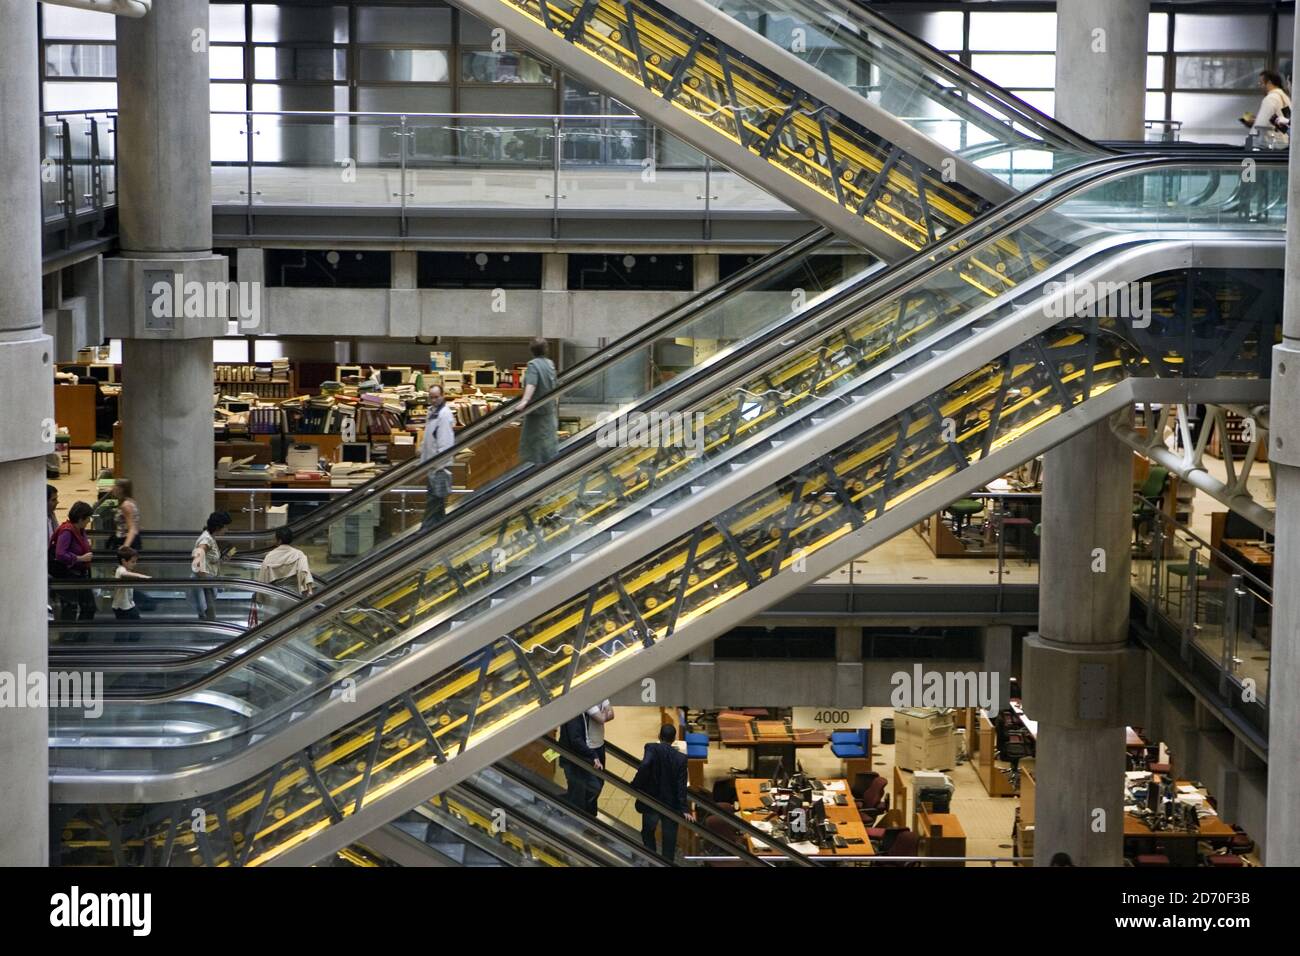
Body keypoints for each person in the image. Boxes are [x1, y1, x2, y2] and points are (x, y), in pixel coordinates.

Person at [632, 723, 694, 862]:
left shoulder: (651, 748)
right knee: (669, 841)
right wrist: (684, 809)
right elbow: (681, 785)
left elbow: (645, 766)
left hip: (651, 801)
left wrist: (635, 785)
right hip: (671, 805)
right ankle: (666, 863)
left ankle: (652, 860)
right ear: (674, 739)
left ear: (659, 736)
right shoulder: (681, 759)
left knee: (648, 832)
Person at [50, 500, 96, 625]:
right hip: (71, 575)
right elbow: (60, 554)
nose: (89, 521)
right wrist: (80, 558)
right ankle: (72, 637)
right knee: (80, 606)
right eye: (88, 518)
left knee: (88, 606)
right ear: (81, 519)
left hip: (80, 574)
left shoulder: (79, 530)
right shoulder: (67, 531)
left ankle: (77, 637)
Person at [516, 337, 559, 465]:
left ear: (531, 350)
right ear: (546, 349)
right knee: (548, 441)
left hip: (536, 412)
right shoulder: (550, 364)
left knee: (534, 445)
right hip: (548, 410)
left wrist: (524, 401)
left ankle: (535, 471)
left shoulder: (533, 365)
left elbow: (531, 384)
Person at [419, 384, 456, 531]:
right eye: (431, 397)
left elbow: (445, 444)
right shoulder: (432, 412)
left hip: (440, 468)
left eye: (436, 397)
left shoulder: (444, 415)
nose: (433, 400)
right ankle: (440, 534)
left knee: (434, 503)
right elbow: (429, 436)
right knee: (437, 506)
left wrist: (438, 465)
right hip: (432, 467)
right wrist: (422, 450)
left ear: (443, 396)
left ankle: (424, 533)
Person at [558, 711, 601, 817]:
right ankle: (558, 805)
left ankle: (562, 806)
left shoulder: (579, 712)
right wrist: (593, 755)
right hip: (573, 761)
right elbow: (575, 740)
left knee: (592, 788)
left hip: (579, 759)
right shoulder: (574, 715)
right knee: (580, 792)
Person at [191, 511, 232, 621]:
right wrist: (204, 580)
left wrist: (222, 559)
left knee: (208, 616)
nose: (226, 530)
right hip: (205, 582)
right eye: (225, 527)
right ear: (219, 527)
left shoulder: (210, 538)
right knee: (209, 617)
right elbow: (197, 559)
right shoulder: (206, 539)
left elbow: (209, 560)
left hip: (208, 581)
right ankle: (205, 638)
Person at [256, 525, 315, 596]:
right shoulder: (298, 554)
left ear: (279, 540)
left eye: (275, 538)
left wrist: (259, 597)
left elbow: (262, 579)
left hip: (274, 595)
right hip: (294, 595)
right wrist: (310, 591)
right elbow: (305, 572)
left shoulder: (269, 556)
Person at [581, 699, 615, 815]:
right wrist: (605, 714)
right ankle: (589, 816)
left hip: (600, 745)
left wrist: (603, 715)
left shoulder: (602, 697)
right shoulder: (588, 701)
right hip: (590, 747)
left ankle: (590, 814)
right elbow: (602, 719)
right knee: (593, 786)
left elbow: (611, 715)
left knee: (600, 782)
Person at [1242, 69, 1291, 148]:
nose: (1260, 86)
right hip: (1284, 143)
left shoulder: (1271, 98)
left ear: (1269, 83)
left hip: (1271, 145)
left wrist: (1248, 144)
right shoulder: (1284, 97)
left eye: (1261, 83)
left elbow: (1261, 125)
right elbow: (1283, 120)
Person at [112, 546, 150, 642]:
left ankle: (131, 643)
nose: (135, 564)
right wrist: (142, 576)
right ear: (124, 561)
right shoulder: (120, 570)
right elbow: (125, 574)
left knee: (135, 622)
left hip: (128, 604)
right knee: (123, 629)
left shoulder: (126, 569)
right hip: (121, 607)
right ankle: (120, 646)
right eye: (132, 562)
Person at [104, 478, 141, 552]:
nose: (112, 488)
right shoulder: (131, 501)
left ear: (121, 489)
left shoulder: (126, 505)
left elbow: (132, 528)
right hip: (128, 539)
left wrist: (125, 547)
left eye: (114, 486)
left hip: (125, 540)